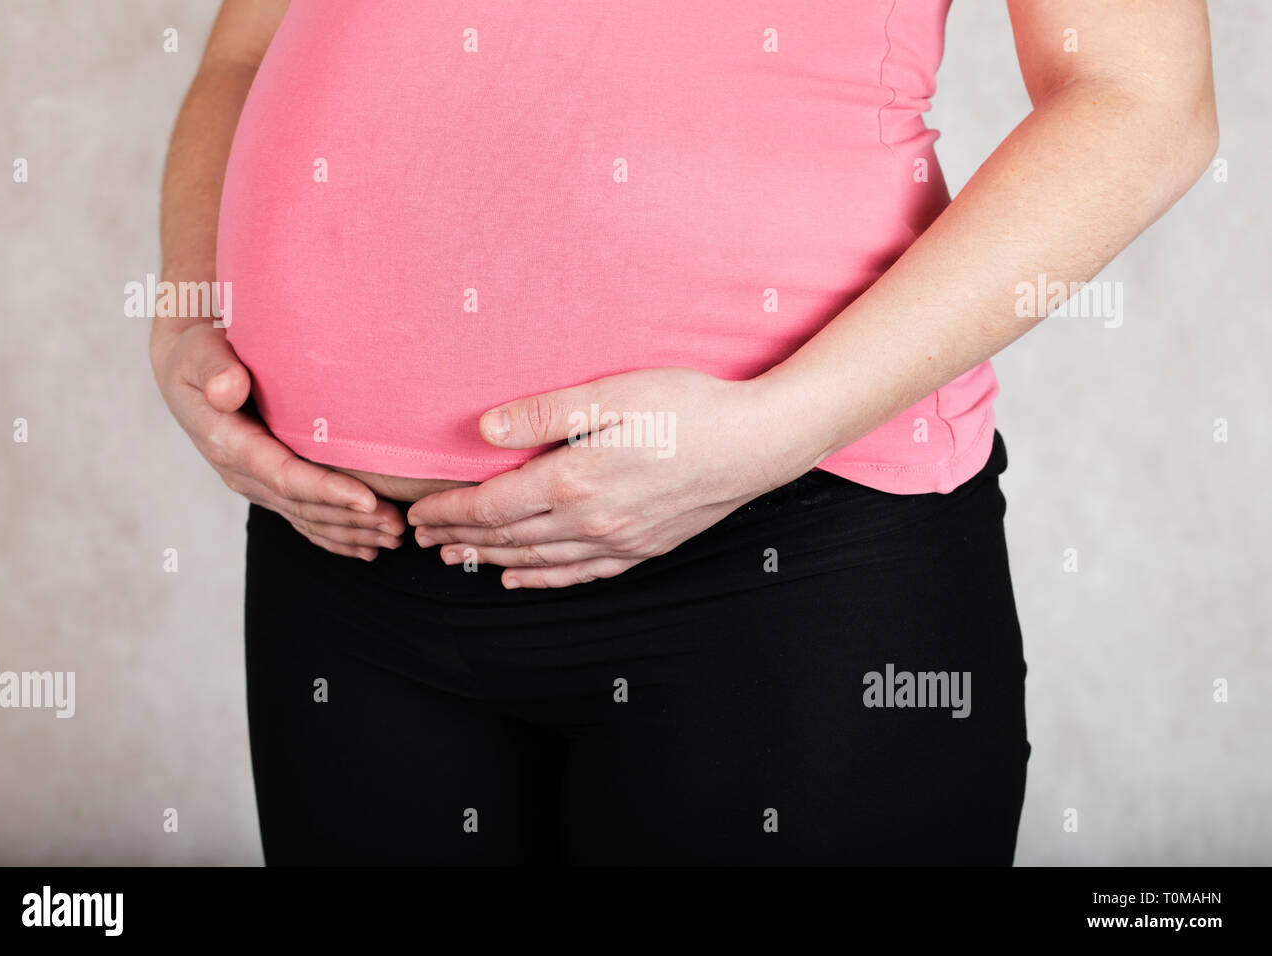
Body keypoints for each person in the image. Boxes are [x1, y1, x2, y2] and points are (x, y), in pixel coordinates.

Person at [151, 0, 1218, 865]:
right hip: (345, 568)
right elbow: (246, 50)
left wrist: (766, 431)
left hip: (785, 565)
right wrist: (191, 300)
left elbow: (1138, 97)